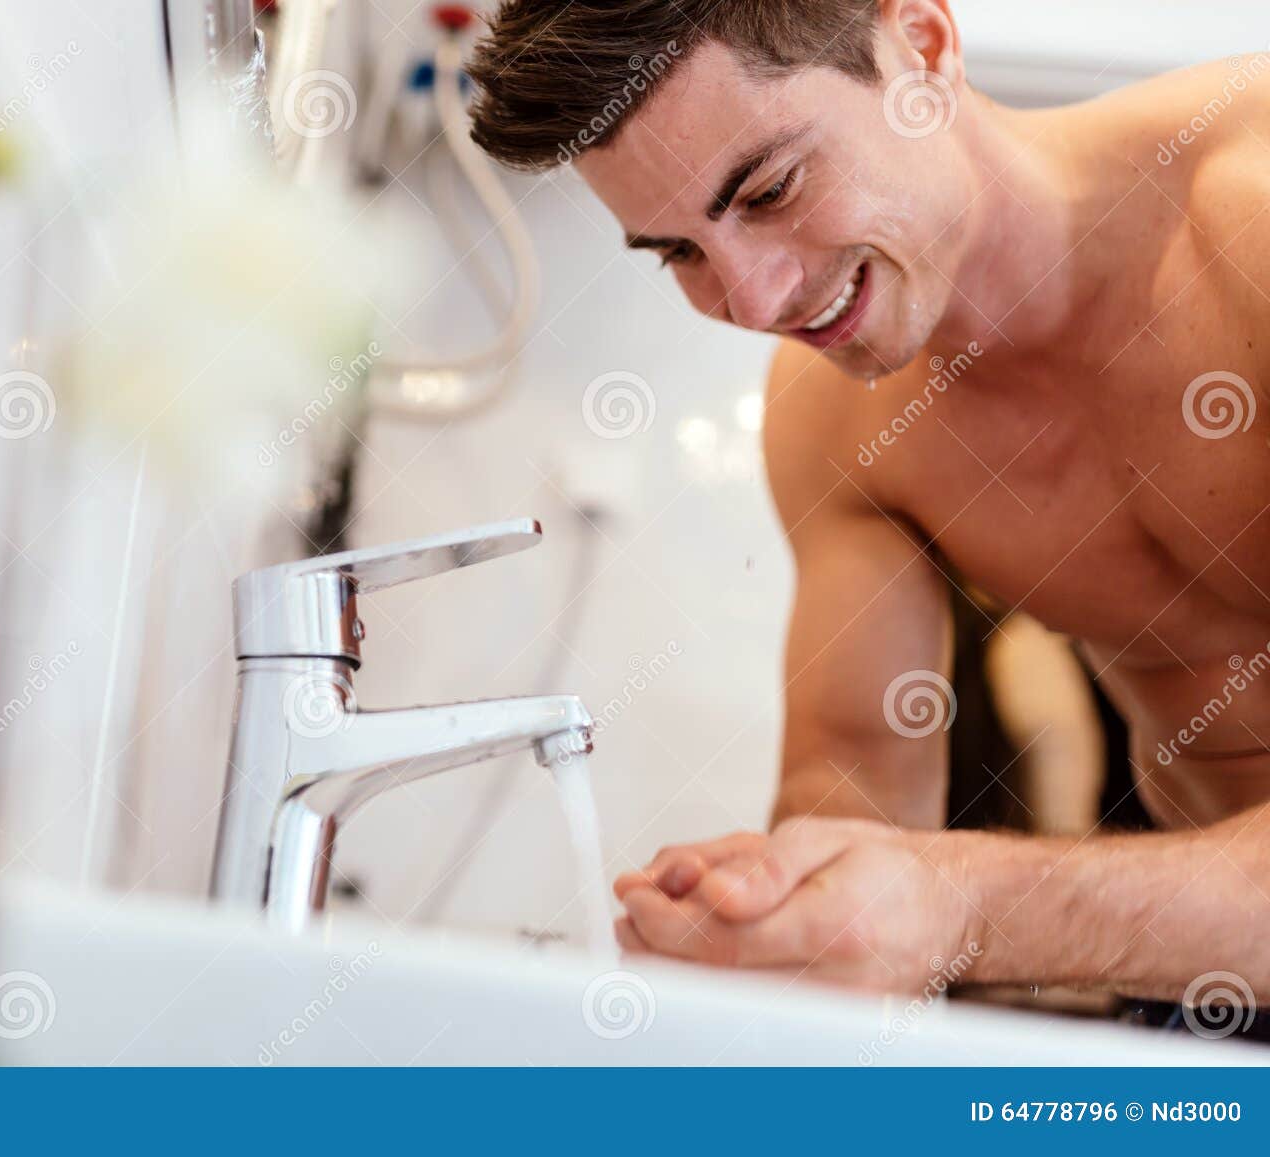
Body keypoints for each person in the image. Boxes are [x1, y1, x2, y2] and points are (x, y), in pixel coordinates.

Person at [467, 0, 1270, 1007]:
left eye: (769, 189)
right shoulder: (835, 424)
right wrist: (772, 910)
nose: (752, 303)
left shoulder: (1252, 219)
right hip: (1195, 974)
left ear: (921, 48)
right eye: (677, 252)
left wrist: (962, 905)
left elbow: (945, 900)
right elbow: (851, 789)